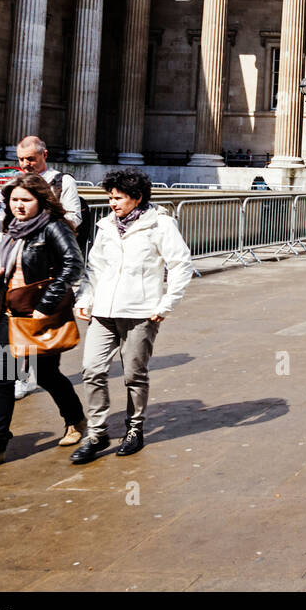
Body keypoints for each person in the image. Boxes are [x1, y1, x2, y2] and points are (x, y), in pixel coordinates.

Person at [0, 173, 88, 472]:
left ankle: (76, 419)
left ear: (41, 201)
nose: (19, 206)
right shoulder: (11, 227)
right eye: (14, 200)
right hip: (10, 311)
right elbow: (15, 263)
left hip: (40, 312)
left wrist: (46, 304)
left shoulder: (53, 227)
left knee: (46, 374)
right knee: (2, 380)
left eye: (25, 200)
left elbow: (73, 264)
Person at [70, 168, 193, 463]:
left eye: (119, 198)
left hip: (141, 312)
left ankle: (134, 429)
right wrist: (86, 297)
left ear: (136, 198)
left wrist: (165, 305)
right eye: (110, 197)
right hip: (103, 311)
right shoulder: (106, 226)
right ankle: (96, 434)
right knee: (91, 369)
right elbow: (95, 267)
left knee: (133, 375)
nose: (113, 203)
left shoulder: (160, 225)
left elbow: (180, 264)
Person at [0, 135, 85, 400]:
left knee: (38, 339)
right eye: (21, 159)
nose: (25, 164)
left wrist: (44, 221)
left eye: (31, 159)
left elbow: (74, 219)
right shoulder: (12, 182)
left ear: (44, 154)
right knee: (10, 333)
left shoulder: (62, 181)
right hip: (8, 264)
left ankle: (35, 383)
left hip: (42, 266)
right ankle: (13, 386)